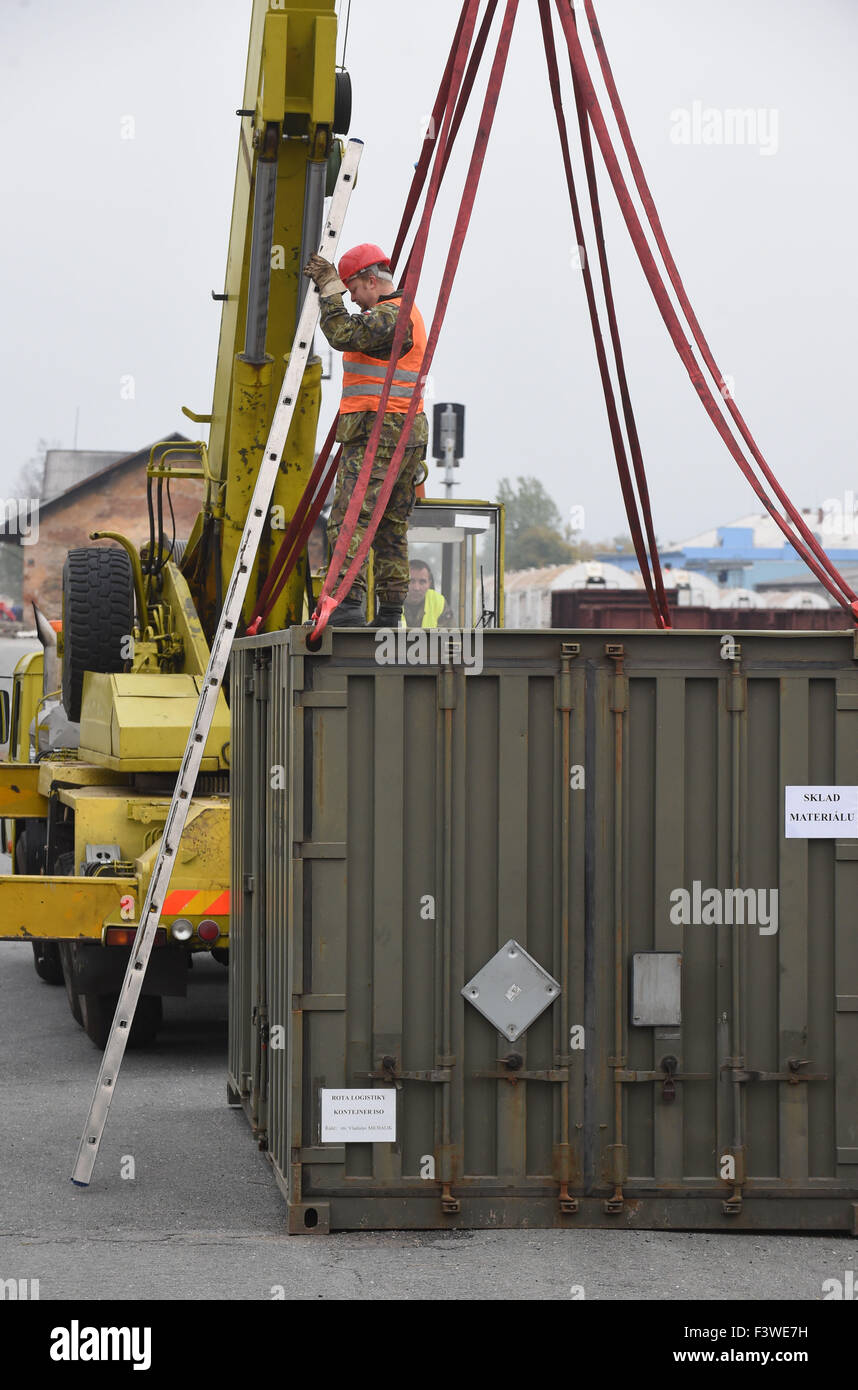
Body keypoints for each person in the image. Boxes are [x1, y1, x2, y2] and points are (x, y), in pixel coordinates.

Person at [303, 242, 428, 627]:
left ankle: (346, 605)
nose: (354, 300)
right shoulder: (402, 314)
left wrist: (329, 289)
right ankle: (389, 612)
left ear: (371, 281)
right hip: (401, 432)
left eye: (354, 290)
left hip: (380, 430)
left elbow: (342, 333)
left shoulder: (393, 316)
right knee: (390, 523)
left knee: (351, 517)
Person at [403, 559, 453, 629]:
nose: (416, 588)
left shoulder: (438, 603)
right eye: (411, 581)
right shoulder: (388, 603)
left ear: (429, 583)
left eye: (422, 582)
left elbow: (450, 637)